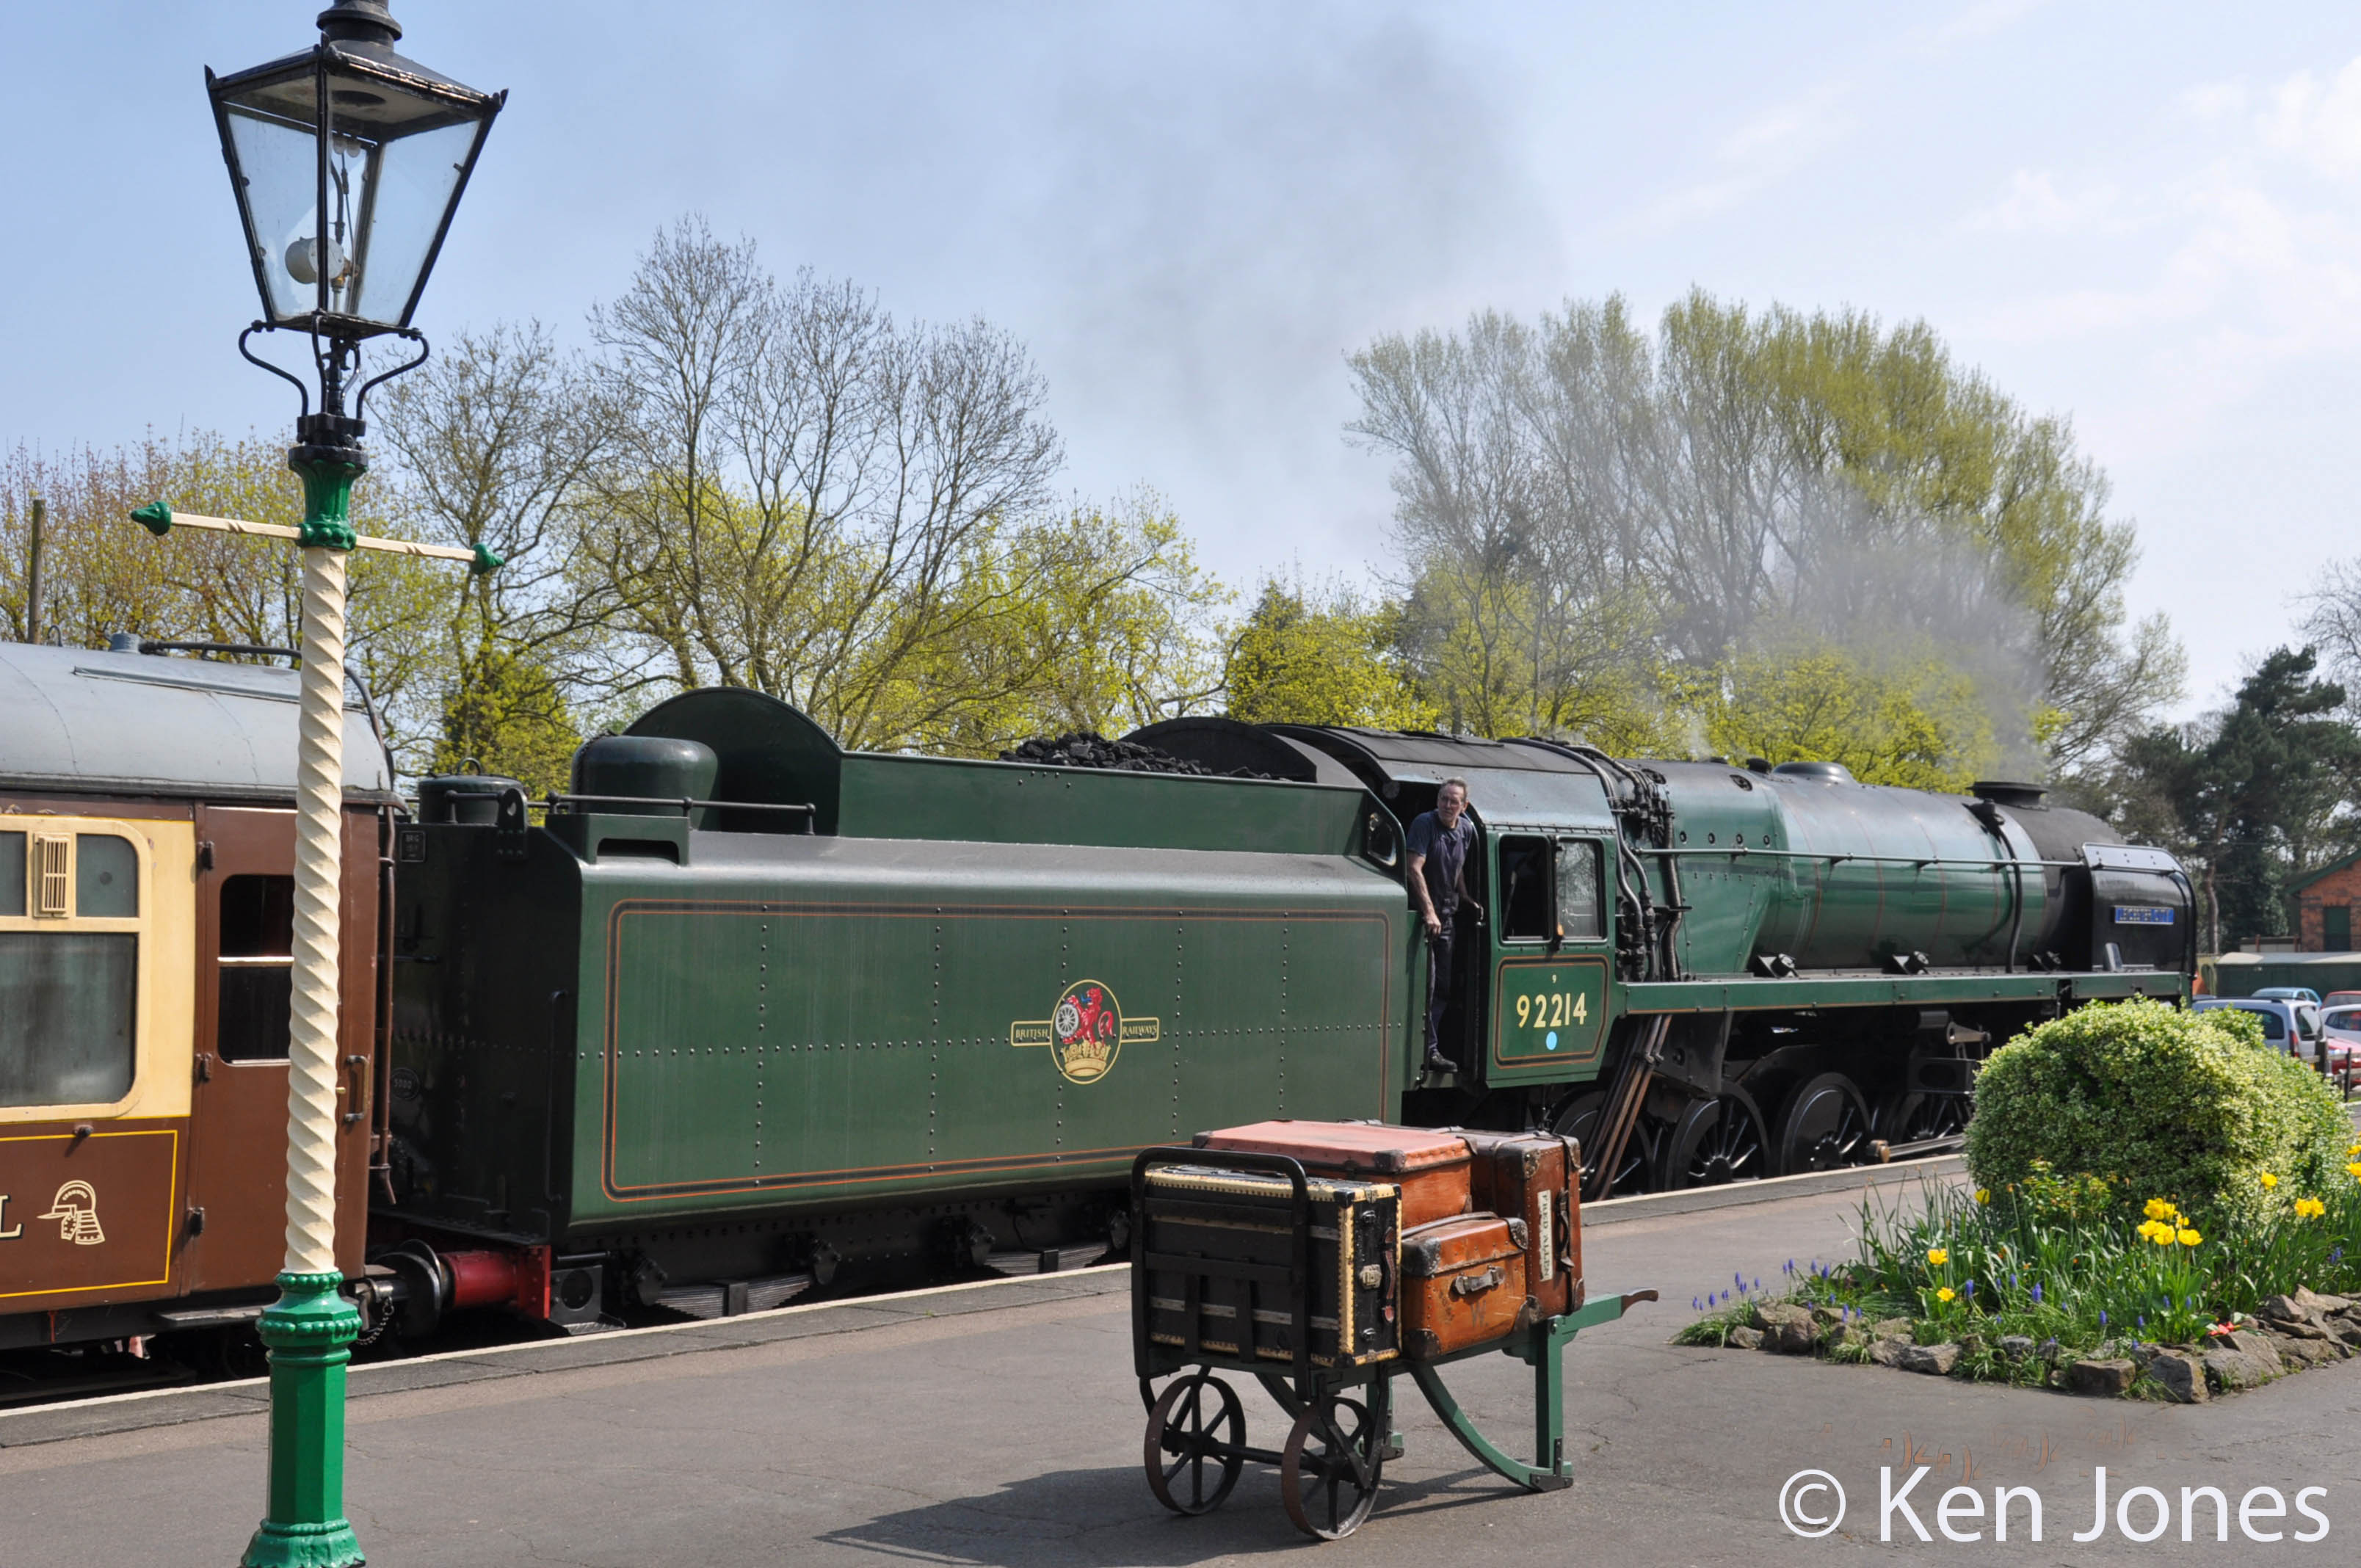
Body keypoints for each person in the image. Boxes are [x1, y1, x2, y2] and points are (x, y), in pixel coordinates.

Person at [1407, 777, 1475, 1075]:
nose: (1447, 805)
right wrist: (1429, 912)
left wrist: (1465, 895)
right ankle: (1427, 1050)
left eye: (1453, 801)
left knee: (1444, 987)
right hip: (1423, 919)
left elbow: (1457, 866)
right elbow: (1413, 867)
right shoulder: (1425, 824)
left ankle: (1431, 1047)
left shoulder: (1466, 830)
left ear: (1464, 806)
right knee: (1428, 984)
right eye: (1444, 799)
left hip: (1448, 916)